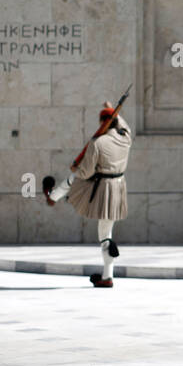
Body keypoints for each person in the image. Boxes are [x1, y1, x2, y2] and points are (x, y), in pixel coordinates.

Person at [48, 103, 133, 287]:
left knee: (104, 233)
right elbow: (124, 126)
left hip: (103, 188)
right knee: (107, 229)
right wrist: (114, 111)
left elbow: (85, 173)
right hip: (119, 186)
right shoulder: (126, 138)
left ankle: (53, 196)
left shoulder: (98, 143)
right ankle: (107, 275)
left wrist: (75, 168)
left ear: (102, 122)